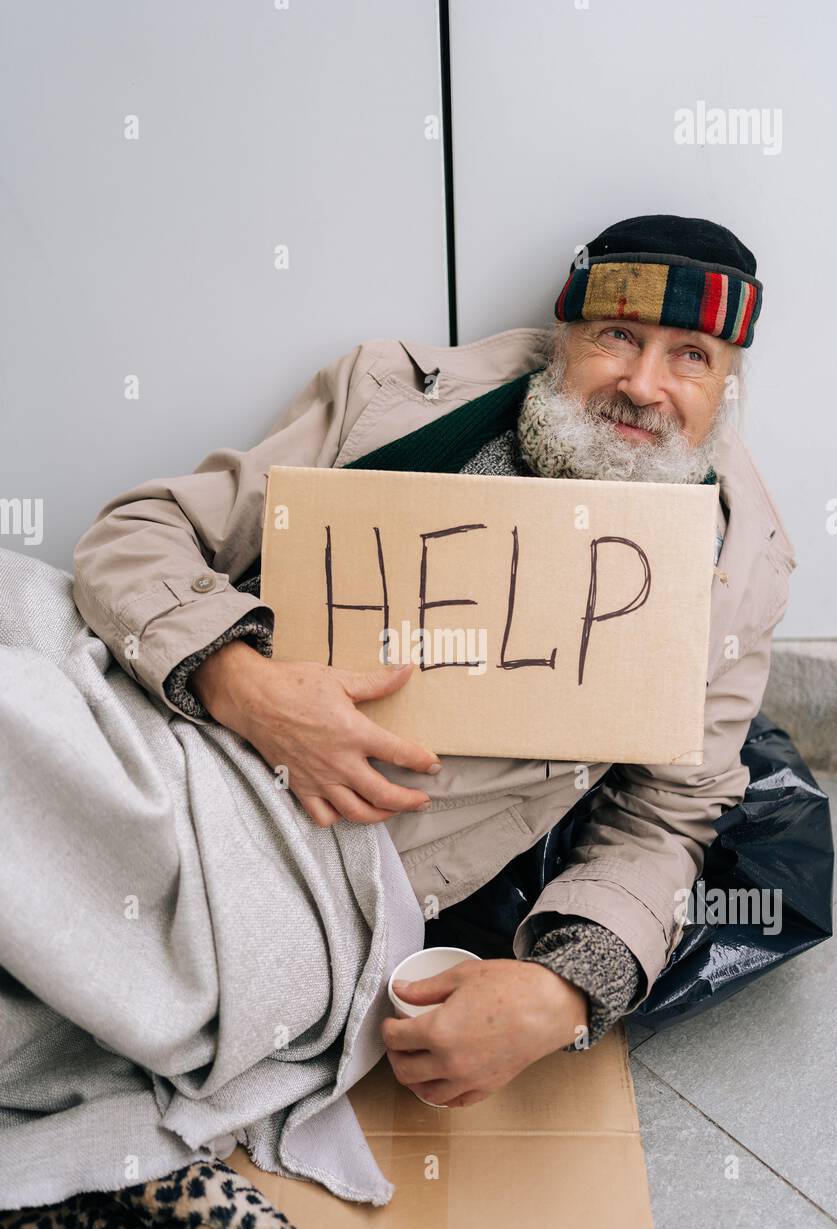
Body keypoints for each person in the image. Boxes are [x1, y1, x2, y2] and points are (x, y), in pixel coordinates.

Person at [72, 214, 795, 1107]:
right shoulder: (391, 394)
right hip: (160, 728)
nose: (644, 386)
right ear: (562, 340)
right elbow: (135, 535)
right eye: (617, 336)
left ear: (726, 387)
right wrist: (240, 680)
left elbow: (670, 814)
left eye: (691, 355)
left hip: (314, 869)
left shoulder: (738, 569)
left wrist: (562, 992)